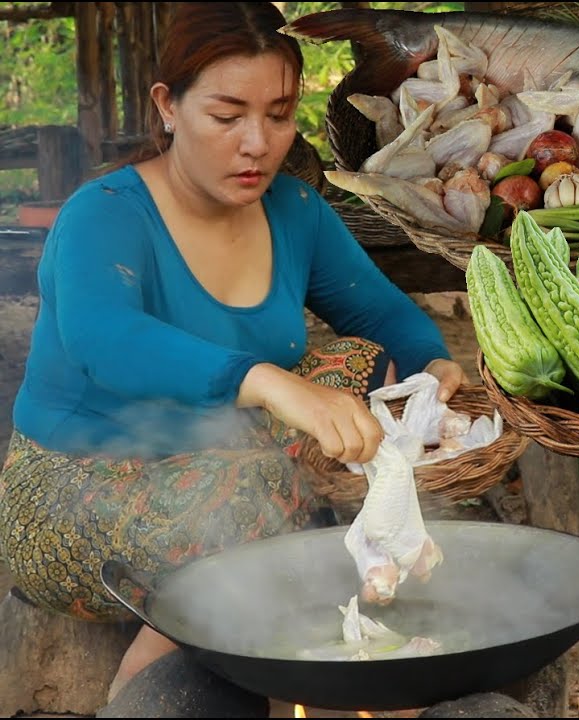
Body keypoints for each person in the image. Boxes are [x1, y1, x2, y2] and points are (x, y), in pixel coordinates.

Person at [0, 2, 466, 702]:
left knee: (365, 368)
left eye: (279, 115)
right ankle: (142, 690)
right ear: (169, 107)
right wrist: (268, 381)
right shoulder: (104, 214)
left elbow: (380, 314)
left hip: (232, 456)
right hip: (74, 490)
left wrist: (433, 365)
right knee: (261, 494)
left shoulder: (294, 211)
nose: (257, 143)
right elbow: (106, 341)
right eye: (227, 116)